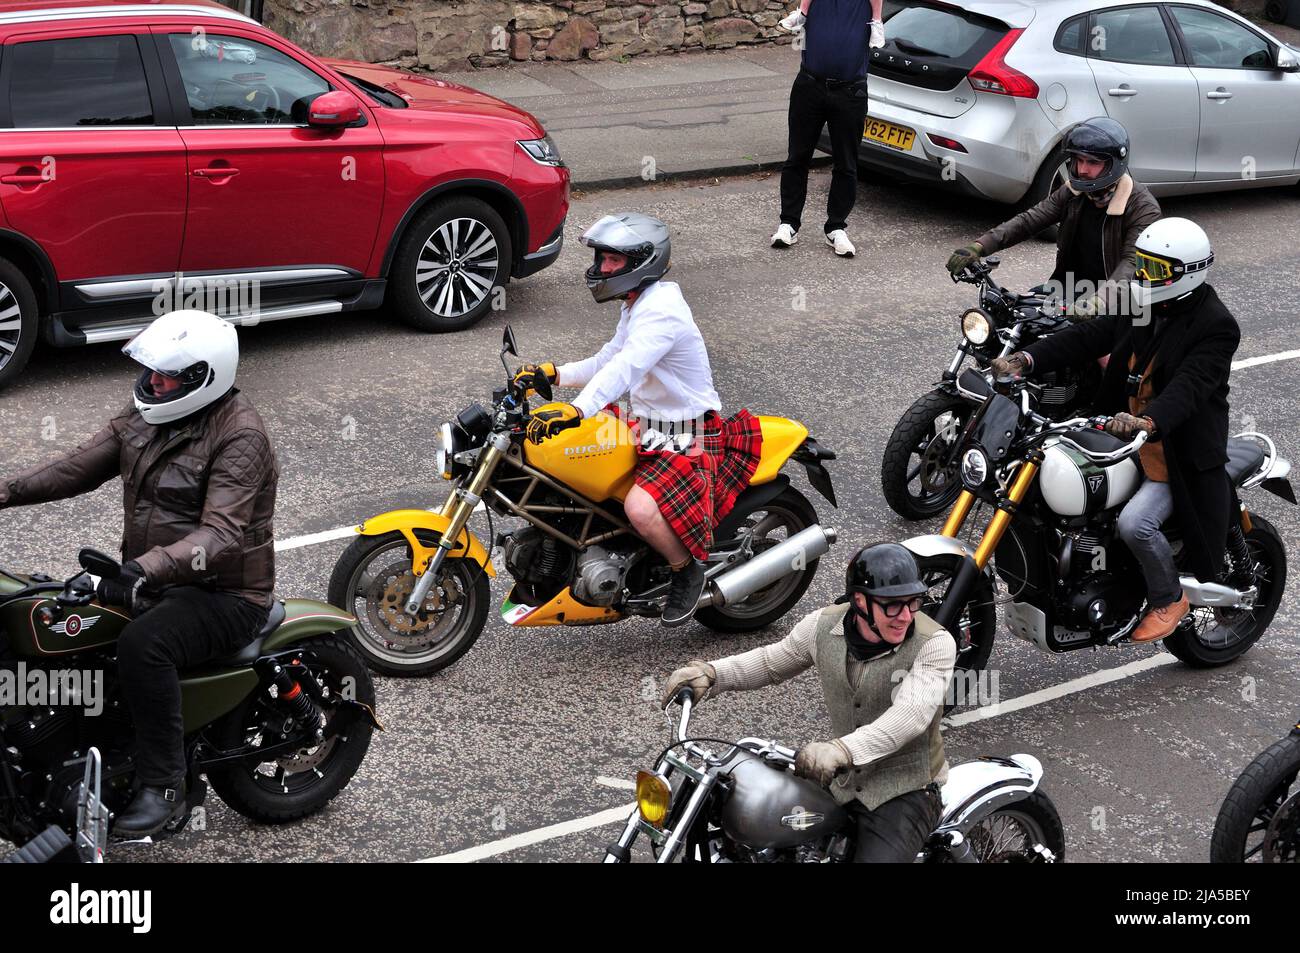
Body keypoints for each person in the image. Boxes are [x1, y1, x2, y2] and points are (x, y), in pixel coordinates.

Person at [0, 310, 279, 836]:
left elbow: (220, 537)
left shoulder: (241, 437)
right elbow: (76, 467)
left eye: (166, 376)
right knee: (42, 616)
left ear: (203, 377)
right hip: (153, 580)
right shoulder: (146, 413)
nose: (152, 382)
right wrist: (6, 492)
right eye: (150, 372)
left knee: (143, 646)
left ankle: (164, 786)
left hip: (225, 594)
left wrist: (141, 570)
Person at [992, 218, 1238, 643]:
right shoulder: (1141, 303)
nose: (1144, 276)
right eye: (1142, 264)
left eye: (1156, 269)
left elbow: (1189, 388)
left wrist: (1149, 421)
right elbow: (1088, 336)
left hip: (1173, 446)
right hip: (1118, 431)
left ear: (1187, 273)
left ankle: (1169, 598)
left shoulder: (1215, 325)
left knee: (1135, 524)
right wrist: (1026, 360)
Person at [514, 213, 761, 628]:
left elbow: (625, 369)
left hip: (686, 434)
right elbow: (609, 357)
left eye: (613, 261)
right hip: (647, 425)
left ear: (642, 262)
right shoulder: (638, 303)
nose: (602, 268)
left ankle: (687, 570)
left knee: (640, 509)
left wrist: (577, 408)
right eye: (602, 259)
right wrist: (554, 373)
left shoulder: (662, 312)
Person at [662, 543, 956, 862]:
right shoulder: (822, 627)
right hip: (839, 780)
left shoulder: (934, 644)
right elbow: (771, 661)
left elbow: (909, 716)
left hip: (904, 790)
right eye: (892, 605)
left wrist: (841, 750)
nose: (906, 616)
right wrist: (713, 674)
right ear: (860, 601)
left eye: (913, 602)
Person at [946, 117, 1161, 319]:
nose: (1082, 170)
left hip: (1118, 302)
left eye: (1092, 163)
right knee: (1018, 320)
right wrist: (979, 247)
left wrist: (1099, 302)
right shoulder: (1073, 193)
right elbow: (1029, 221)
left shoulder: (1142, 208)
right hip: (1068, 287)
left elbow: (1132, 264)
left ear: (1114, 164)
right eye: (1079, 160)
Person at [771, 0, 886, 258]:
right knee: (797, 158)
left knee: (846, 163)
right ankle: (788, 223)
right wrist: (803, 13)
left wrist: (875, 19)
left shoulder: (864, 6)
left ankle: (836, 227)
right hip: (809, 85)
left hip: (850, 91)